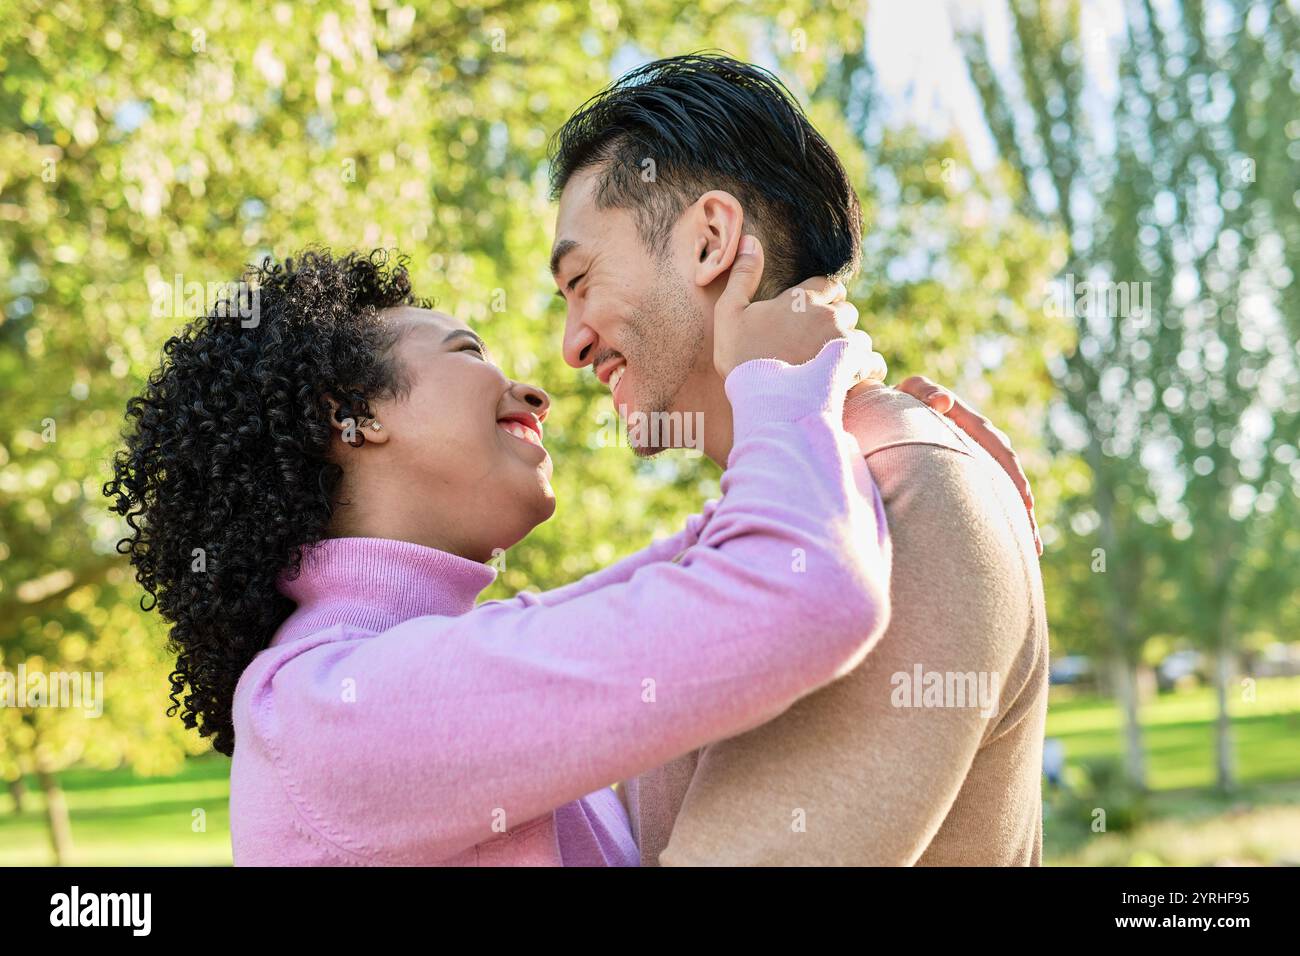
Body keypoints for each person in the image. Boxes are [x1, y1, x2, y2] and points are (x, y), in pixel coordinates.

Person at [105, 246, 893, 865]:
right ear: (351, 417)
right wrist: (782, 383)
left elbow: (707, 562)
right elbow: (806, 591)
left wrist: (900, 436)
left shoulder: (393, 669)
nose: (535, 390)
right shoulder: (328, 707)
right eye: (467, 349)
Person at [548, 53, 1049, 864]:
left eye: (580, 281)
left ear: (711, 240)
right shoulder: (802, 512)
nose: (571, 345)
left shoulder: (895, 490)